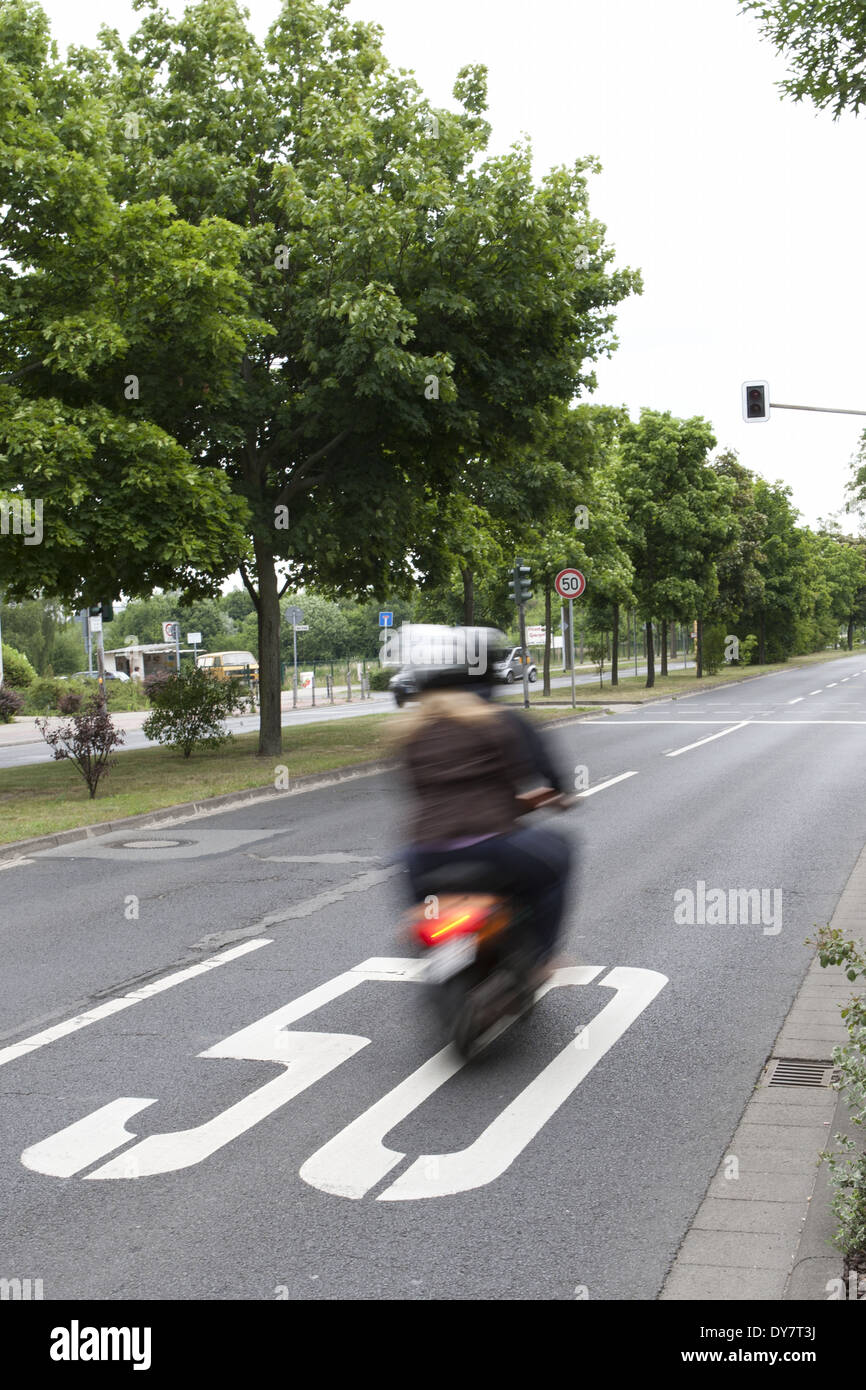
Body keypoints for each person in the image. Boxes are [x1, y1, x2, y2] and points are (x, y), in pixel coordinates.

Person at [391, 639, 575, 965]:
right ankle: (543, 959)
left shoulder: (409, 731)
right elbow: (529, 778)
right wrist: (556, 797)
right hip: (492, 847)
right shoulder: (496, 721)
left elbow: (417, 791)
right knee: (559, 856)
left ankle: (428, 945)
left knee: (420, 910)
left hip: (422, 855)